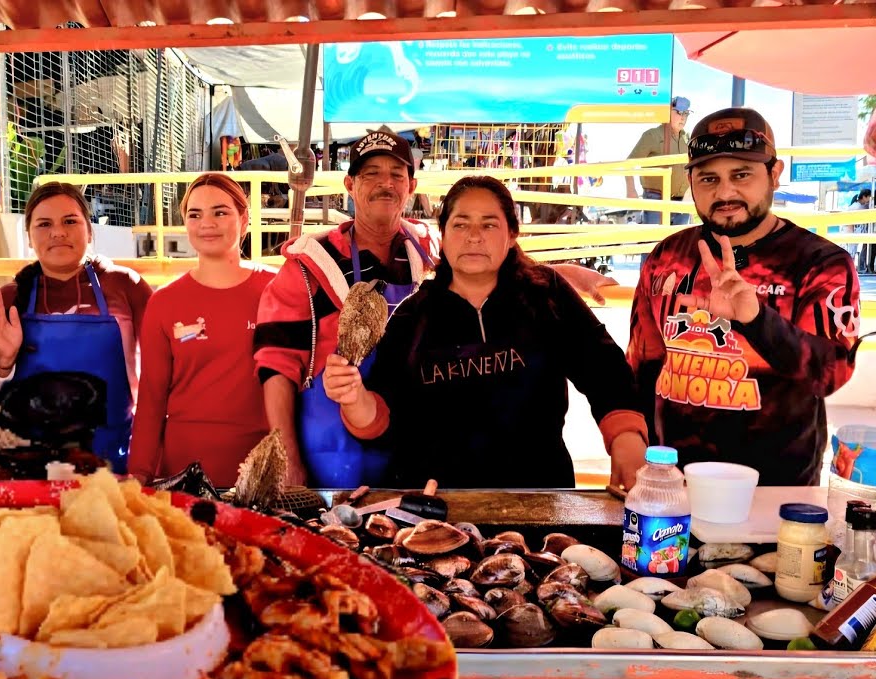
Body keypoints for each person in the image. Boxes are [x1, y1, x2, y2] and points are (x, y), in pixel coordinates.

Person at [254, 129, 617, 488]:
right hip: (335, 450)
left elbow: (481, 262)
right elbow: (277, 364)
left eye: (397, 174)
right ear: (350, 185)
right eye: (371, 174)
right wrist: (288, 457)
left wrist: (553, 274)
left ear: (412, 187)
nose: (386, 184)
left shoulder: (424, 249)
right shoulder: (308, 266)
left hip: (409, 458)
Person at [322, 176, 648, 490]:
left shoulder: (546, 294)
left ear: (512, 235)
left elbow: (604, 369)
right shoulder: (412, 316)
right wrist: (353, 398)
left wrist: (626, 437)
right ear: (444, 237)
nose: (474, 236)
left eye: (489, 224)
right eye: (461, 224)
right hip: (435, 508)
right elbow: (383, 419)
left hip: (539, 499)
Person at [627, 108, 861, 487]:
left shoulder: (820, 262)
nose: (724, 193)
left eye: (741, 175)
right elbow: (641, 369)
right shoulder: (666, 257)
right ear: (690, 181)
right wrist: (637, 453)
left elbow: (831, 373)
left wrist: (756, 320)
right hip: (674, 487)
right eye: (708, 178)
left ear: (774, 173)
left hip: (776, 492)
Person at [0, 181, 152, 474]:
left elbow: (159, 378)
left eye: (70, 221)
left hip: (113, 465)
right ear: (29, 237)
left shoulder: (125, 286)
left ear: (89, 230)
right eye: (44, 224)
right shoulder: (8, 300)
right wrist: (2, 362)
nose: (58, 232)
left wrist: (146, 463)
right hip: (27, 469)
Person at [129, 174, 275, 487]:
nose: (206, 223)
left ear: (244, 218)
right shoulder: (164, 302)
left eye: (220, 212)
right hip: (184, 473)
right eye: (195, 215)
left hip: (262, 471)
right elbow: (152, 397)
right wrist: (139, 472)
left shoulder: (277, 290)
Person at [627, 96, 693, 226]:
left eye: (686, 113)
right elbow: (629, 163)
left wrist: (690, 192)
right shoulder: (652, 135)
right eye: (679, 112)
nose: (683, 117)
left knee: (679, 242)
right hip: (657, 199)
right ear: (667, 112)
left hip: (682, 200)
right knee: (655, 240)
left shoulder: (687, 138)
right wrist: (631, 190)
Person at [847, 189, 871, 272]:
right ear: (864, 197)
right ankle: (851, 269)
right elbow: (850, 222)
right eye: (869, 197)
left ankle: (854, 268)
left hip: (858, 232)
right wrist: (851, 233)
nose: (869, 200)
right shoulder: (856, 207)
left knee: (855, 250)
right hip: (854, 232)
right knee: (852, 251)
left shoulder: (862, 205)